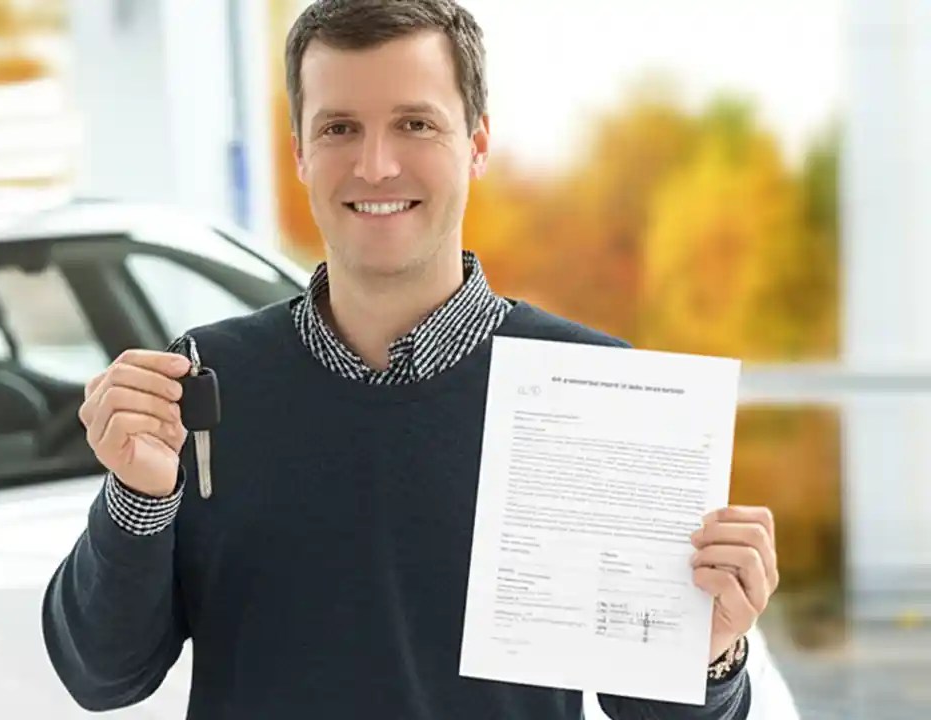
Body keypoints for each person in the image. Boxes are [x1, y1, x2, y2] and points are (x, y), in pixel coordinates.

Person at [42, 1, 779, 717]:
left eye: (415, 124)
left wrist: (709, 653)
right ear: (299, 153)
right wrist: (137, 497)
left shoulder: (600, 392)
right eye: (339, 128)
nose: (375, 165)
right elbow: (102, 676)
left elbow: (648, 708)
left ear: (477, 143)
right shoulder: (207, 381)